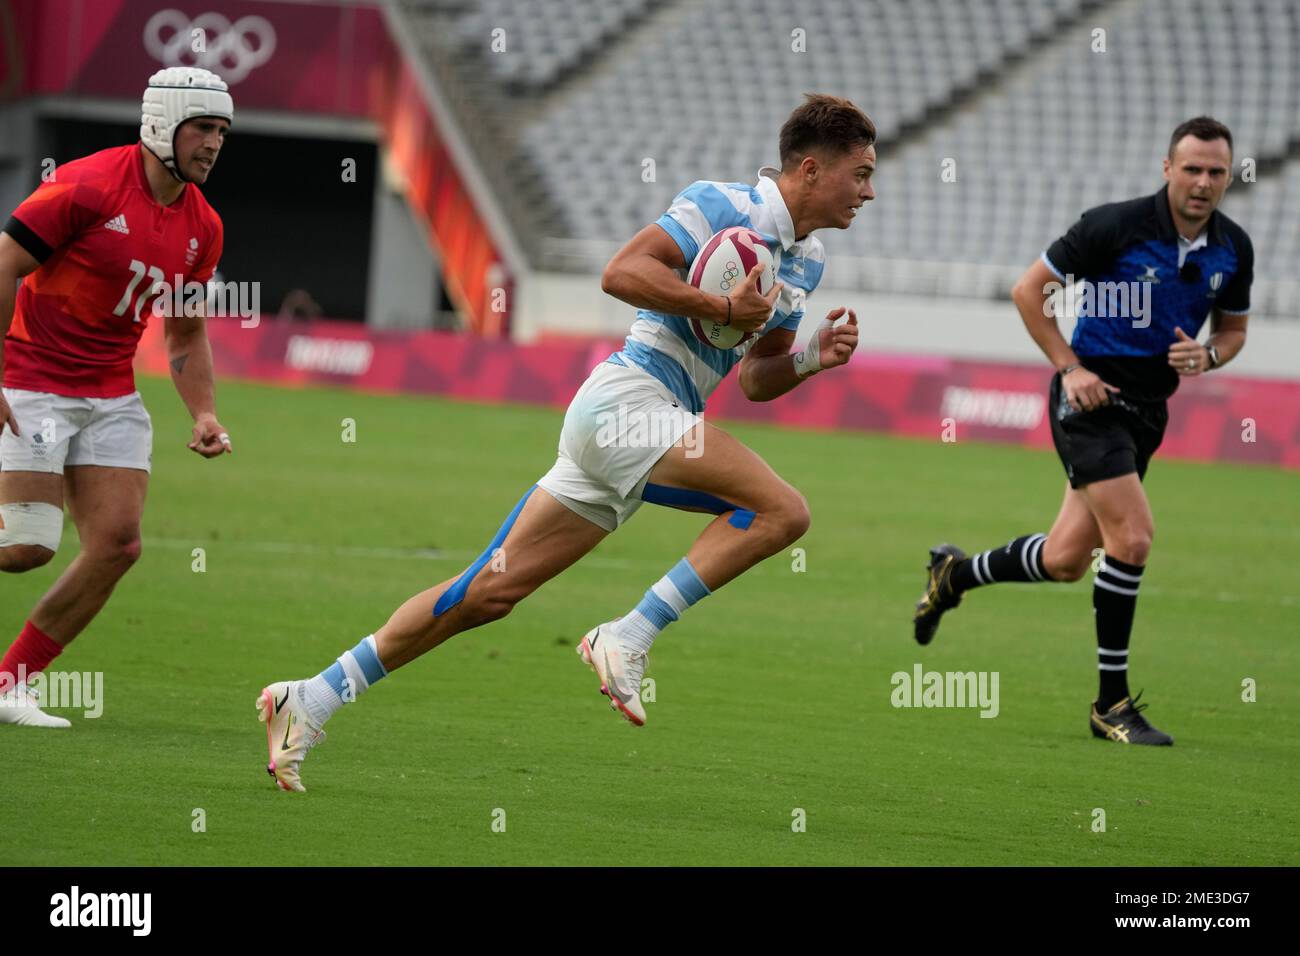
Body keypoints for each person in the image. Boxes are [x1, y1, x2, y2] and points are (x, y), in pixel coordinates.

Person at [256, 93, 873, 792]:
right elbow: (622, 273)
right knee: (782, 511)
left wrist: (811, 357)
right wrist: (721, 306)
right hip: (628, 402)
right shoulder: (722, 204)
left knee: (485, 595)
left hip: (646, 425)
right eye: (861, 173)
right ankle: (627, 635)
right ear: (814, 169)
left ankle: (308, 698)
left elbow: (758, 378)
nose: (869, 191)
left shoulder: (807, 263)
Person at [913, 117, 1252, 746]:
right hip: (1088, 403)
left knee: (1067, 559)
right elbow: (1029, 290)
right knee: (1134, 537)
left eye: (1217, 172)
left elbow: (1232, 331)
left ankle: (952, 576)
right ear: (1167, 169)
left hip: (1149, 411)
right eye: (1192, 169)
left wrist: (1210, 356)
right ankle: (1110, 704)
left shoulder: (1232, 247)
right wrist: (1070, 368)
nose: (1204, 182)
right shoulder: (1114, 226)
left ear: (1228, 176)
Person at [0, 67, 235, 727]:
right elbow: (4, 263)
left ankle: (8, 682)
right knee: (26, 548)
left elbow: (185, 331)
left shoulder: (204, 227)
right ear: (162, 123)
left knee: (117, 545)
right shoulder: (86, 183)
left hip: (111, 394)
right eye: (203, 128)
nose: (214, 143)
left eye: (222, 131)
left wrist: (204, 411)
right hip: (32, 378)